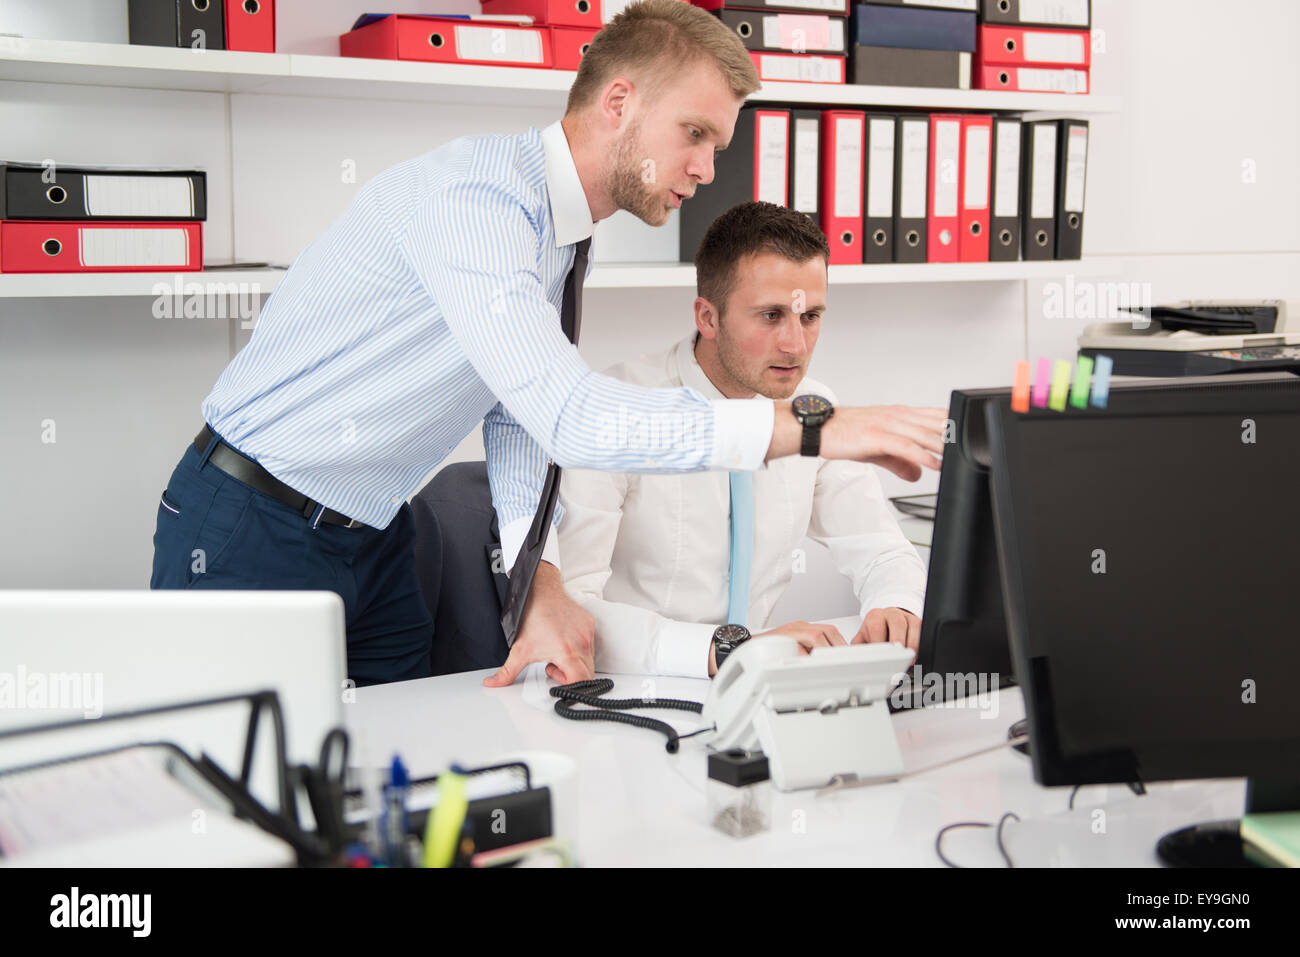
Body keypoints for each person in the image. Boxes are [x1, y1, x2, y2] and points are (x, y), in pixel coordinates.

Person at [150, 0, 946, 687]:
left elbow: (518, 417)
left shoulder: (560, 236)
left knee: (391, 776)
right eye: (694, 133)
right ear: (620, 103)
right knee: (240, 792)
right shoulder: (482, 206)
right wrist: (810, 428)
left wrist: (544, 581)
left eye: (717, 146)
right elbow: (570, 416)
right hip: (254, 519)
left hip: (375, 531)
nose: (705, 169)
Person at [558, 201, 927, 677]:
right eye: (771, 316)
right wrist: (726, 650)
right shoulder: (617, 409)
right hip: (629, 689)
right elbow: (569, 606)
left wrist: (895, 607)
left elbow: (882, 548)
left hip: (760, 691)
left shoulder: (814, 408)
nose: (795, 344)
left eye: (810, 315)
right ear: (707, 318)